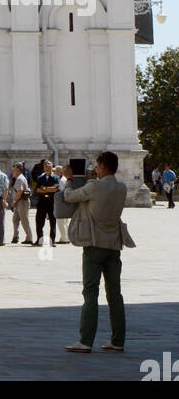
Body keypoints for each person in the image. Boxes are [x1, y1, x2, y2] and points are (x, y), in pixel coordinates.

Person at [60, 151, 129, 353]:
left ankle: (86, 340)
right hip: (114, 245)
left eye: (97, 166)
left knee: (90, 293)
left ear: (104, 167)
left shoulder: (94, 186)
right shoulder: (121, 188)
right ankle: (118, 340)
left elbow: (69, 196)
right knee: (115, 294)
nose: (95, 169)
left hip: (94, 243)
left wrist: (71, 179)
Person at [33, 159, 59, 246]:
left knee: (53, 222)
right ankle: (39, 240)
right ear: (43, 168)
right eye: (46, 166)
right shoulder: (40, 178)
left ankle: (52, 241)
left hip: (51, 202)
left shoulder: (56, 177)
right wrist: (49, 189)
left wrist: (44, 188)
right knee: (39, 222)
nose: (47, 168)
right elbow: (37, 189)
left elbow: (55, 189)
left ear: (52, 167)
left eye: (49, 166)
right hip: (42, 202)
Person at [7, 164, 33, 244]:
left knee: (24, 220)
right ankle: (15, 237)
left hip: (21, 202)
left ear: (18, 170)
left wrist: (14, 202)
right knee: (15, 220)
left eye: (14, 170)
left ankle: (29, 238)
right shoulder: (17, 178)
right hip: (19, 202)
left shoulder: (20, 179)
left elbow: (19, 191)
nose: (12, 172)